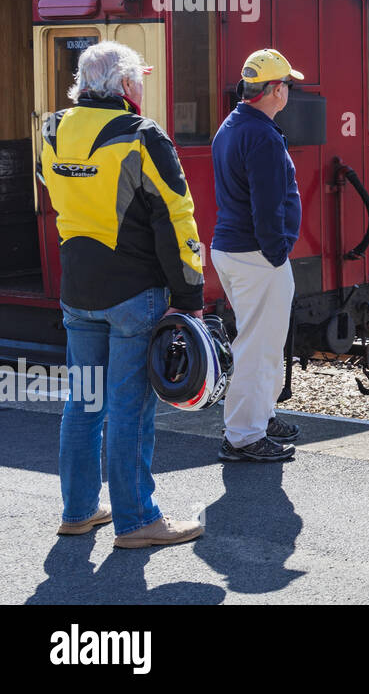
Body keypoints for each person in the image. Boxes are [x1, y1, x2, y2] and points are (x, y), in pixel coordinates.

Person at [40, 41, 205, 549]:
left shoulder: (51, 129)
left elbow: (52, 187)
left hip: (77, 291)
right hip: (135, 295)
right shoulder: (142, 136)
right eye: (139, 82)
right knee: (130, 408)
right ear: (128, 87)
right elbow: (176, 217)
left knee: (84, 402)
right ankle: (137, 521)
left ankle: (79, 510)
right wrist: (190, 293)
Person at [210, 49, 304, 463]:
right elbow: (266, 206)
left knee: (259, 341)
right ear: (275, 89)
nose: (288, 91)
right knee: (258, 346)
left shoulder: (232, 126)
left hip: (232, 249)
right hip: (255, 254)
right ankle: (244, 437)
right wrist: (276, 251)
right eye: (287, 84)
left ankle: (259, 418)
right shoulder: (262, 136)